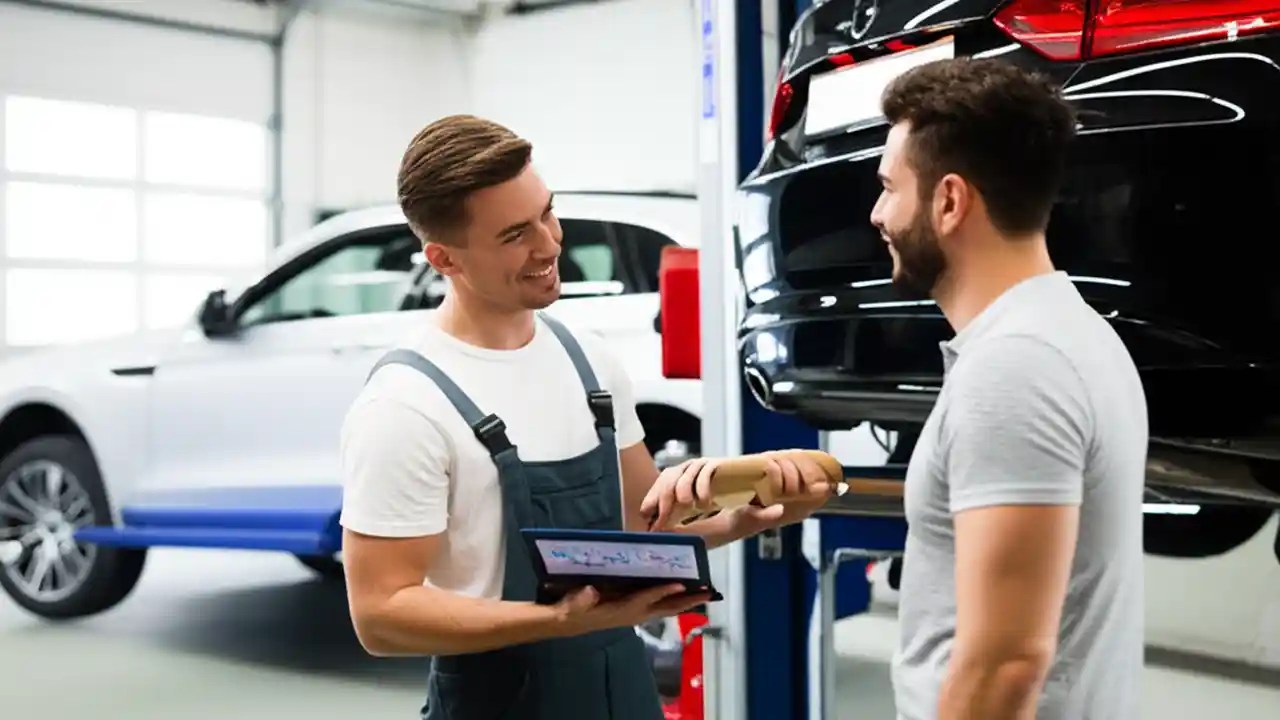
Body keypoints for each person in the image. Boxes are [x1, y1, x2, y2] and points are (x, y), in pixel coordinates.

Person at [337, 114, 834, 719]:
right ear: (444, 259)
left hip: (622, 693)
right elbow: (381, 615)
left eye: (547, 213)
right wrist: (553, 621)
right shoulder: (405, 405)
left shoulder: (588, 361)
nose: (549, 245)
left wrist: (755, 512)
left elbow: (645, 530)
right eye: (514, 234)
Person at [870, 58, 1148, 719]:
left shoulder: (1015, 368)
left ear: (949, 202)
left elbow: (1006, 663)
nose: (879, 214)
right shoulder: (1068, 333)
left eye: (889, 188)